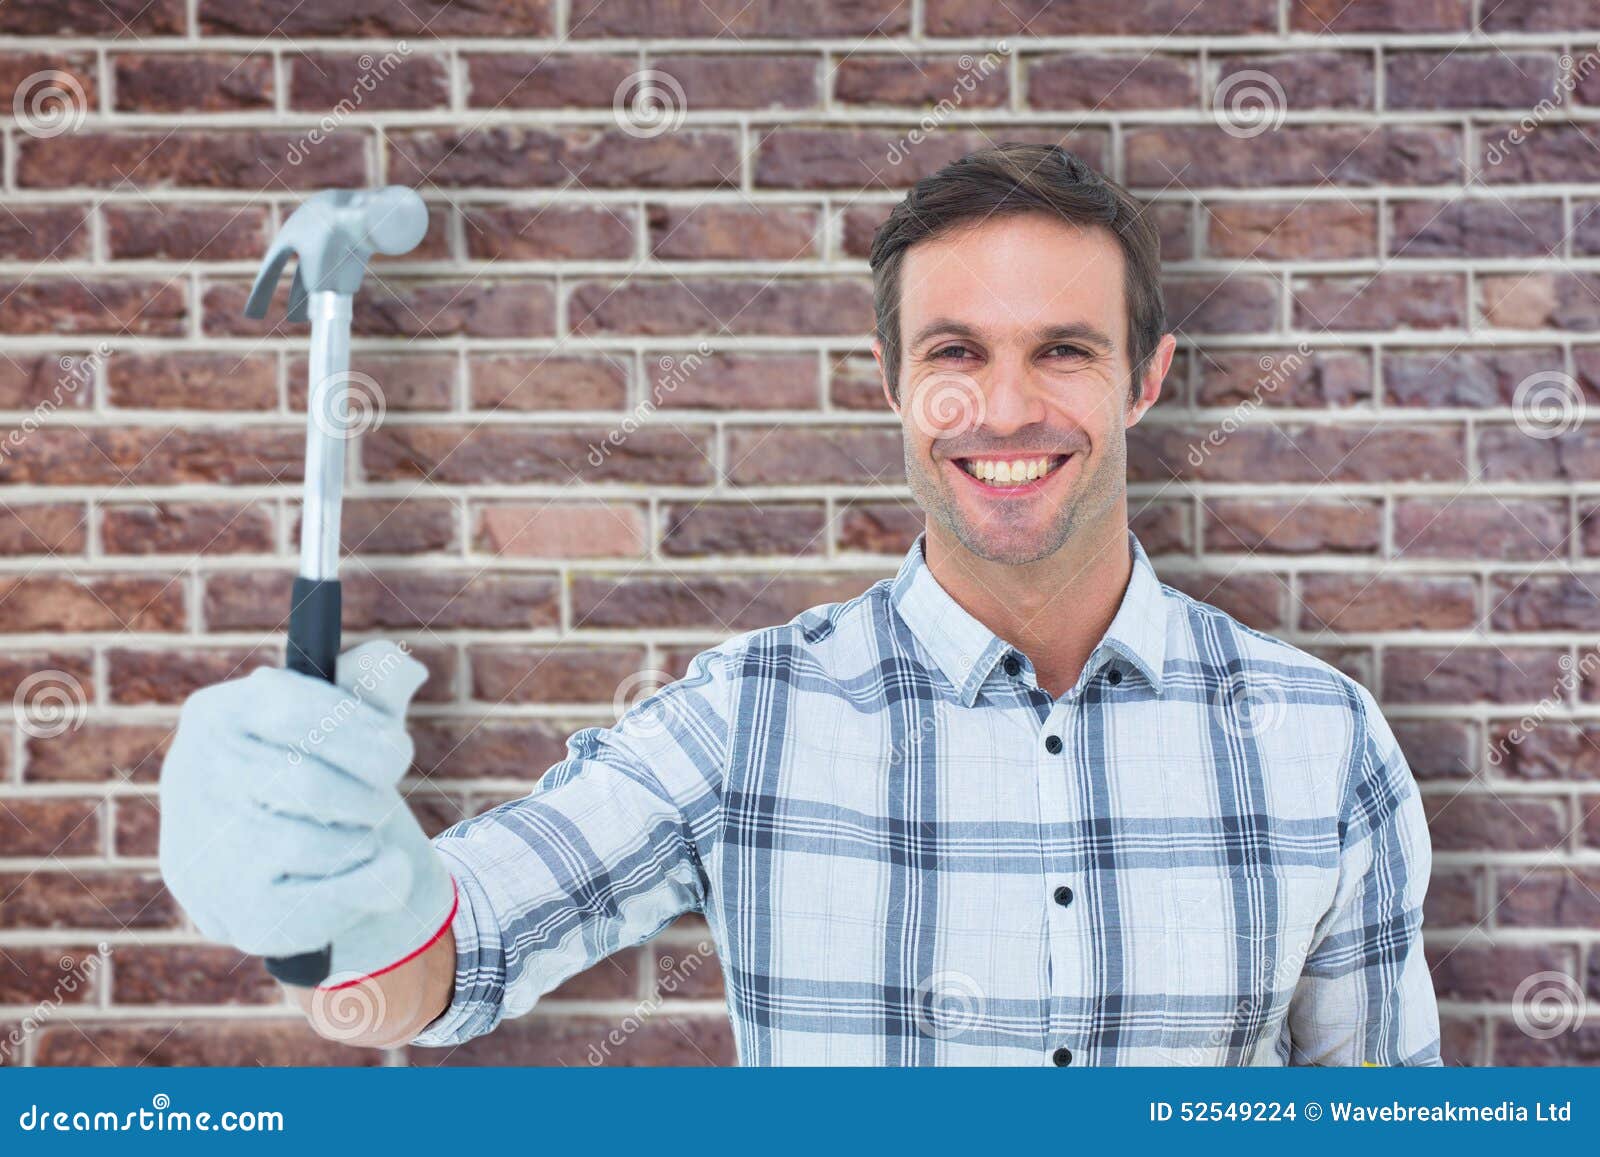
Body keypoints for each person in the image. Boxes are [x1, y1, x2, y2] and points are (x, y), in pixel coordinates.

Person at [159, 143, 1441, 1066]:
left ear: (1147, 379)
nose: (1004, 408)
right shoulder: (745, 717)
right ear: (887, 380)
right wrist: (358, 913)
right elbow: (461, 950)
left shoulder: (1318, 738)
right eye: (955, 352)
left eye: (1062, 348)